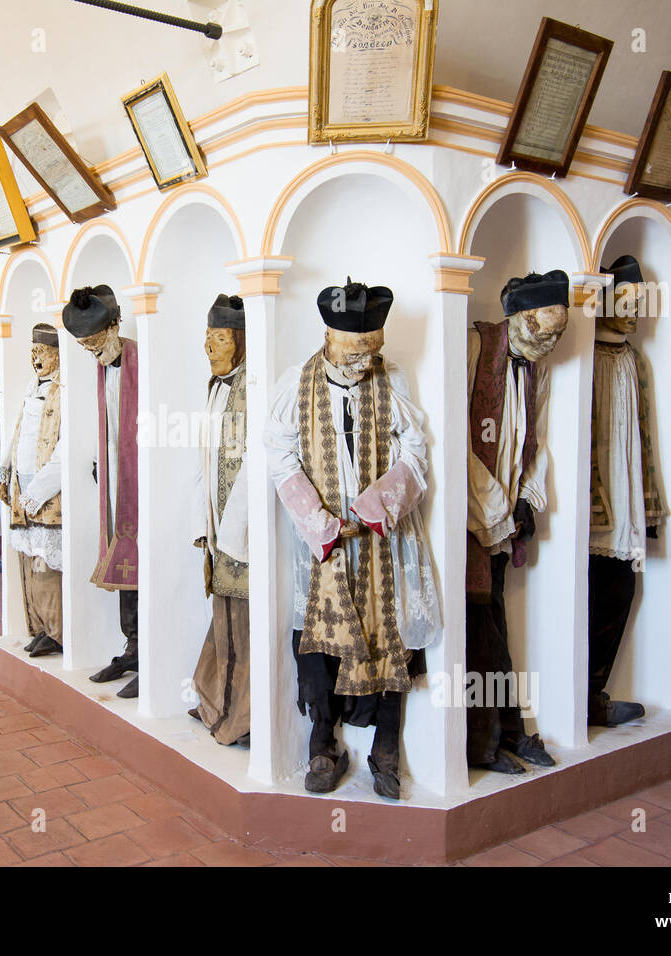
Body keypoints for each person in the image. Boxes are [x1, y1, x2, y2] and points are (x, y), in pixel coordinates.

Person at [265, 278, 441, 799]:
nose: (363, 361)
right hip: (323, 542)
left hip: (384, 539)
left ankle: (387, 747)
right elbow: (278, 454)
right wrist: (318, 522)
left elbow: (416, 451)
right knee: (316, 641)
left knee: (391, 635)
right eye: (352, 350)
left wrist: (377, 506)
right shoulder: (296, 382)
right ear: (328, 335)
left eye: (372, 350)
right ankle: (324, 744)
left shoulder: (394, 380)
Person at [465, 270, 569, 773]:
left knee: (495, 625)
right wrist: (490, 509)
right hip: (469, 516)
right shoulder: (476, 346)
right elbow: (454, 440)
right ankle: (487, 740)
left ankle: (507, 731)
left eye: (556, 334)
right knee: (479, 629)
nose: (548, 342)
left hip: (503, 518)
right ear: (518, 317)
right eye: (542, 331)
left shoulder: (533, 368)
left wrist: (528, 496)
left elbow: (536, 436)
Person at [586, 256, 666, 728]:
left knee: (621, 590)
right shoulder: (586, 354)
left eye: (639, 303)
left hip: (627, 495)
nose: (634, 311)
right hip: (596, 504)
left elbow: (645, 434)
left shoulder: (635, 359)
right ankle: (582, 695)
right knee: (594, 593)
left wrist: (648, 502)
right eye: (626, 300)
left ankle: (595, 691)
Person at [61, 285, 141, 700]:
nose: (92, 352)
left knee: (142, 561)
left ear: (114, 327)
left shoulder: (141, 359)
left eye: (95, 342)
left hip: (142, 480)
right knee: (121, 557)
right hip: (114, 476)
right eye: (85, 346)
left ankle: (150, 651)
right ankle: (132, 646)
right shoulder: (104, 364)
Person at [189, 294, 251, 747]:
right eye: (208, 336)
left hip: (241, 531)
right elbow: (205, 460)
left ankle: (239, 715)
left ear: (242, 341)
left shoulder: (253, 387)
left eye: (221, 337)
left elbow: (250, 465)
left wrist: (231, 532)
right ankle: (215, 700)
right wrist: (202, 524)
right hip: (217, 529)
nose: (210, 346)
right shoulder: (216, 386)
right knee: (222, 617)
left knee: (242, 624)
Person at [0, 324, 64, 657]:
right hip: (21, 485)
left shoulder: (63, 389)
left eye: (43, 352)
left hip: (45, 492)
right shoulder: (30, 387)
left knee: (46, 564)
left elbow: (66, 448)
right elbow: (17, 432)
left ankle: (56, 631)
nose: (36, 358)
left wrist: (38, 490)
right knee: (27, 560)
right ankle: (38, 627)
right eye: (33, 352)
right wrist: (5, 472)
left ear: (57, 354)